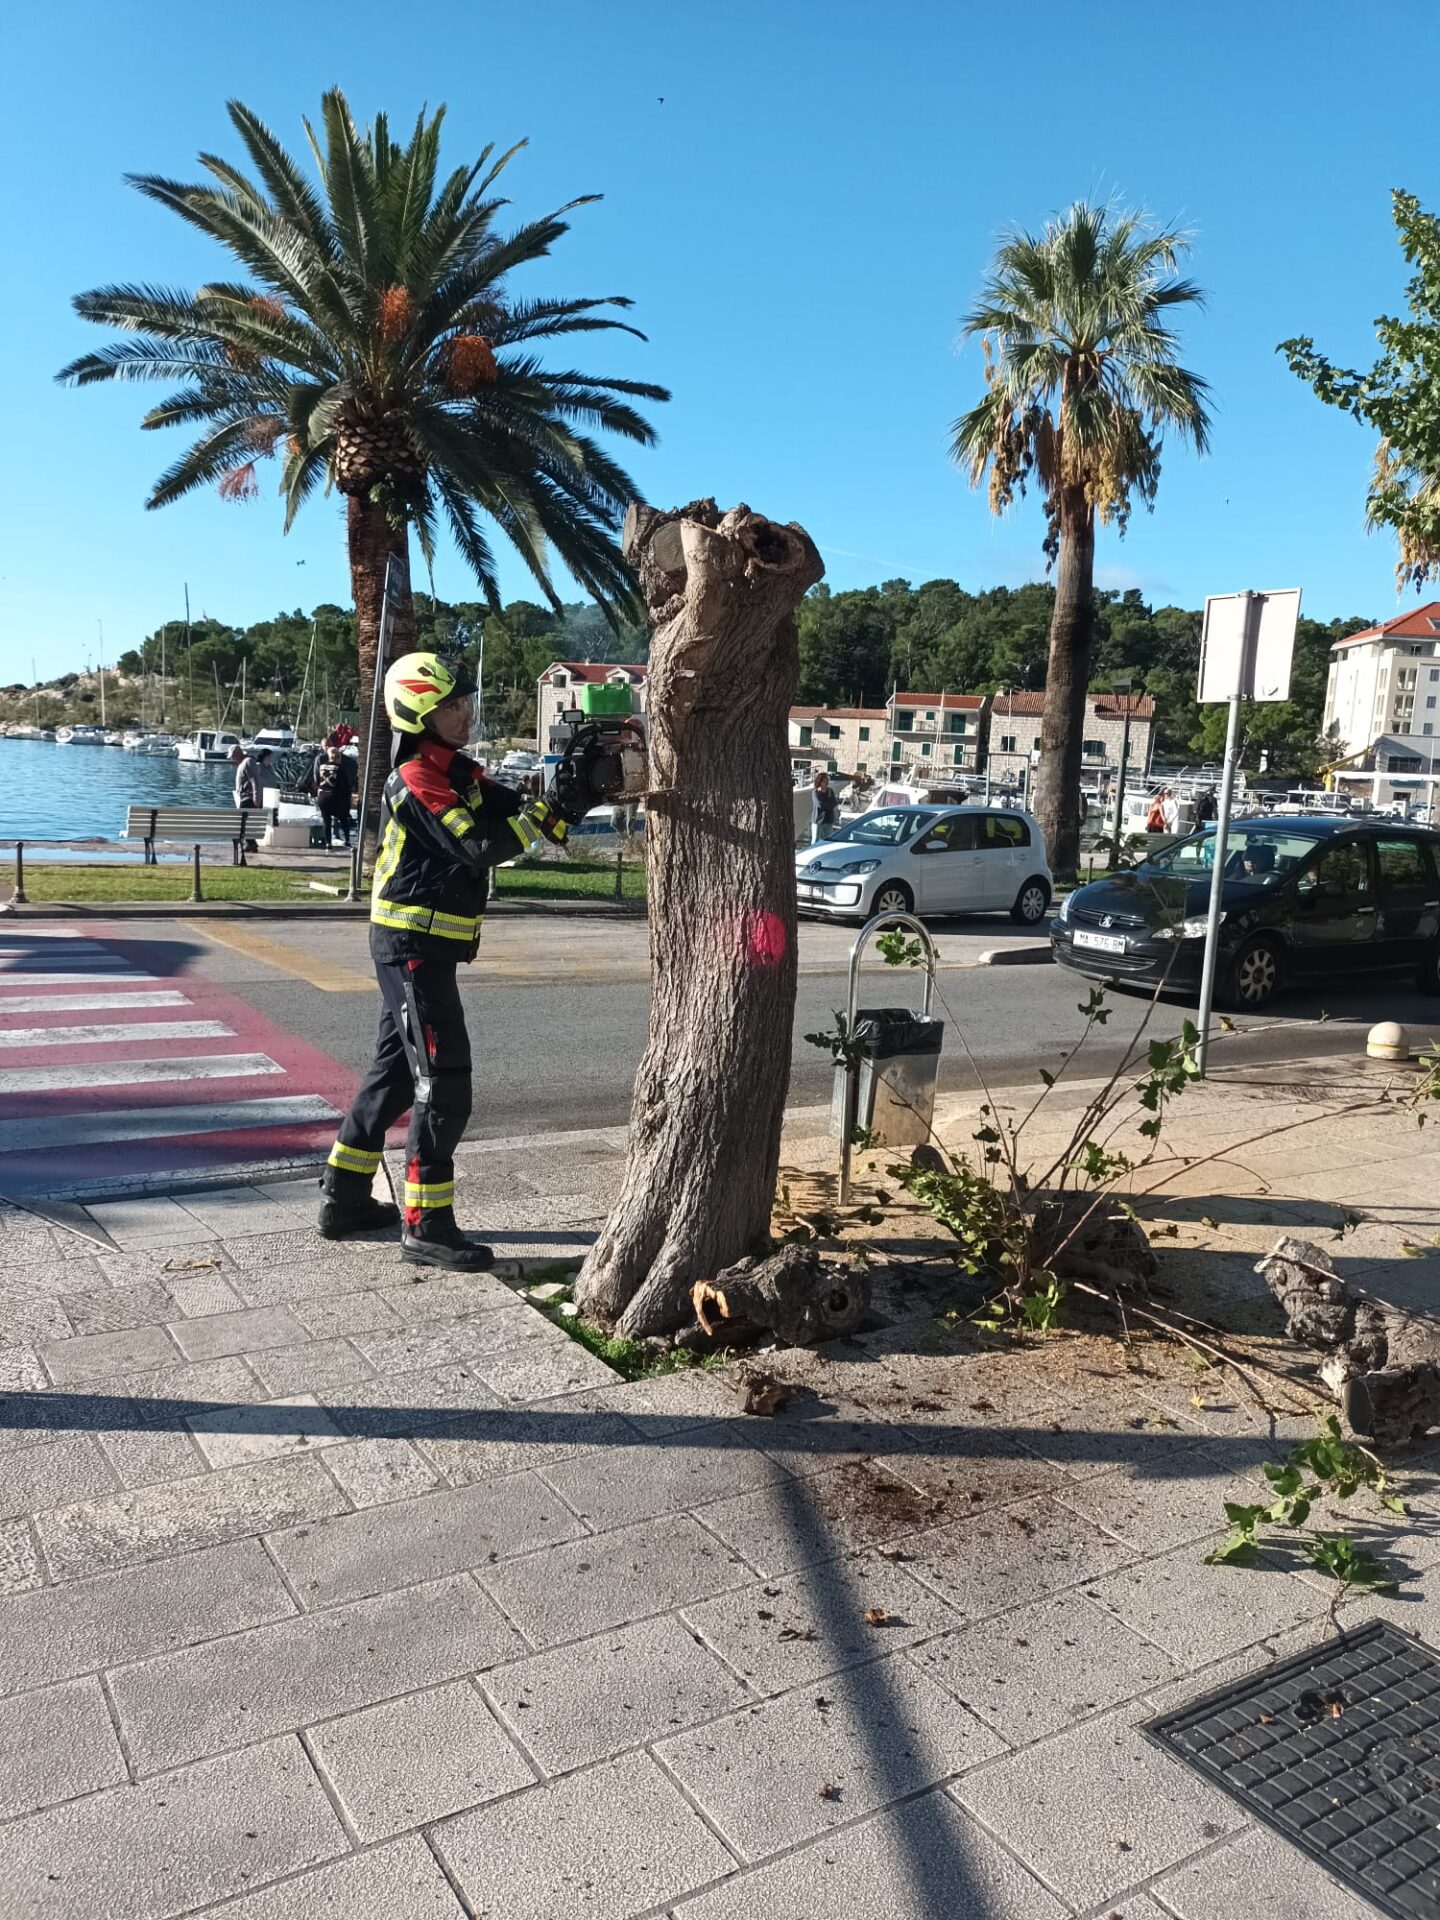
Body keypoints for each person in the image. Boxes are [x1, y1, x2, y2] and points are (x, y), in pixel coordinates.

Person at [318, 652, 589, 1269]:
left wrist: (569, 796)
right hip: (412, 945)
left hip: (424, 943)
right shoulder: (417, 777)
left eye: (464, 701)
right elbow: (478, 846)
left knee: (391, 1075)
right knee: (445, 1082)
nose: (464, 712)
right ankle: (427, 1226)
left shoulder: (458, 771)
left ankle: (344, 1198)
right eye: (451, 705)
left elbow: (512, 809)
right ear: (419, 712)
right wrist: (545, 816)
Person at [314, 744, 356, 849]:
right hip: (335, 796)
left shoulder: (322, 767)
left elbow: (318, 781)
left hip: (323, 796)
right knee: (343, 818)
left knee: (326, 820)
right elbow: (345, 785)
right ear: (338, 757)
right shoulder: (339, 768)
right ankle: (347, 840)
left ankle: (328, 843)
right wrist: (348, 798)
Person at [234, 746, 272, 853]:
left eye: (233, 756)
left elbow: (255, 780)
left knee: (244, 823)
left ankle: (251, 844)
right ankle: (251, 844)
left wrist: (256, 796)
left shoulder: (248, 762)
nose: (232, 759)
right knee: (247, 823)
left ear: (238, 753)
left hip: (249, 798)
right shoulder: (245, 762)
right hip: (247, 798)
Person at [811, 770, 839, 844]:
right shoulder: (815, 792)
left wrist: (828, 804)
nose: (827, 782)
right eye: (825, 780)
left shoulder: (830, 791)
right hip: (818, 820)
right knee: (815, 841)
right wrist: (829, 803)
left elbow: (834, 803)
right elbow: (820, 804)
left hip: (828, 819)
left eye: (828, 780)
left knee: (828, 841)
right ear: (820, 781)